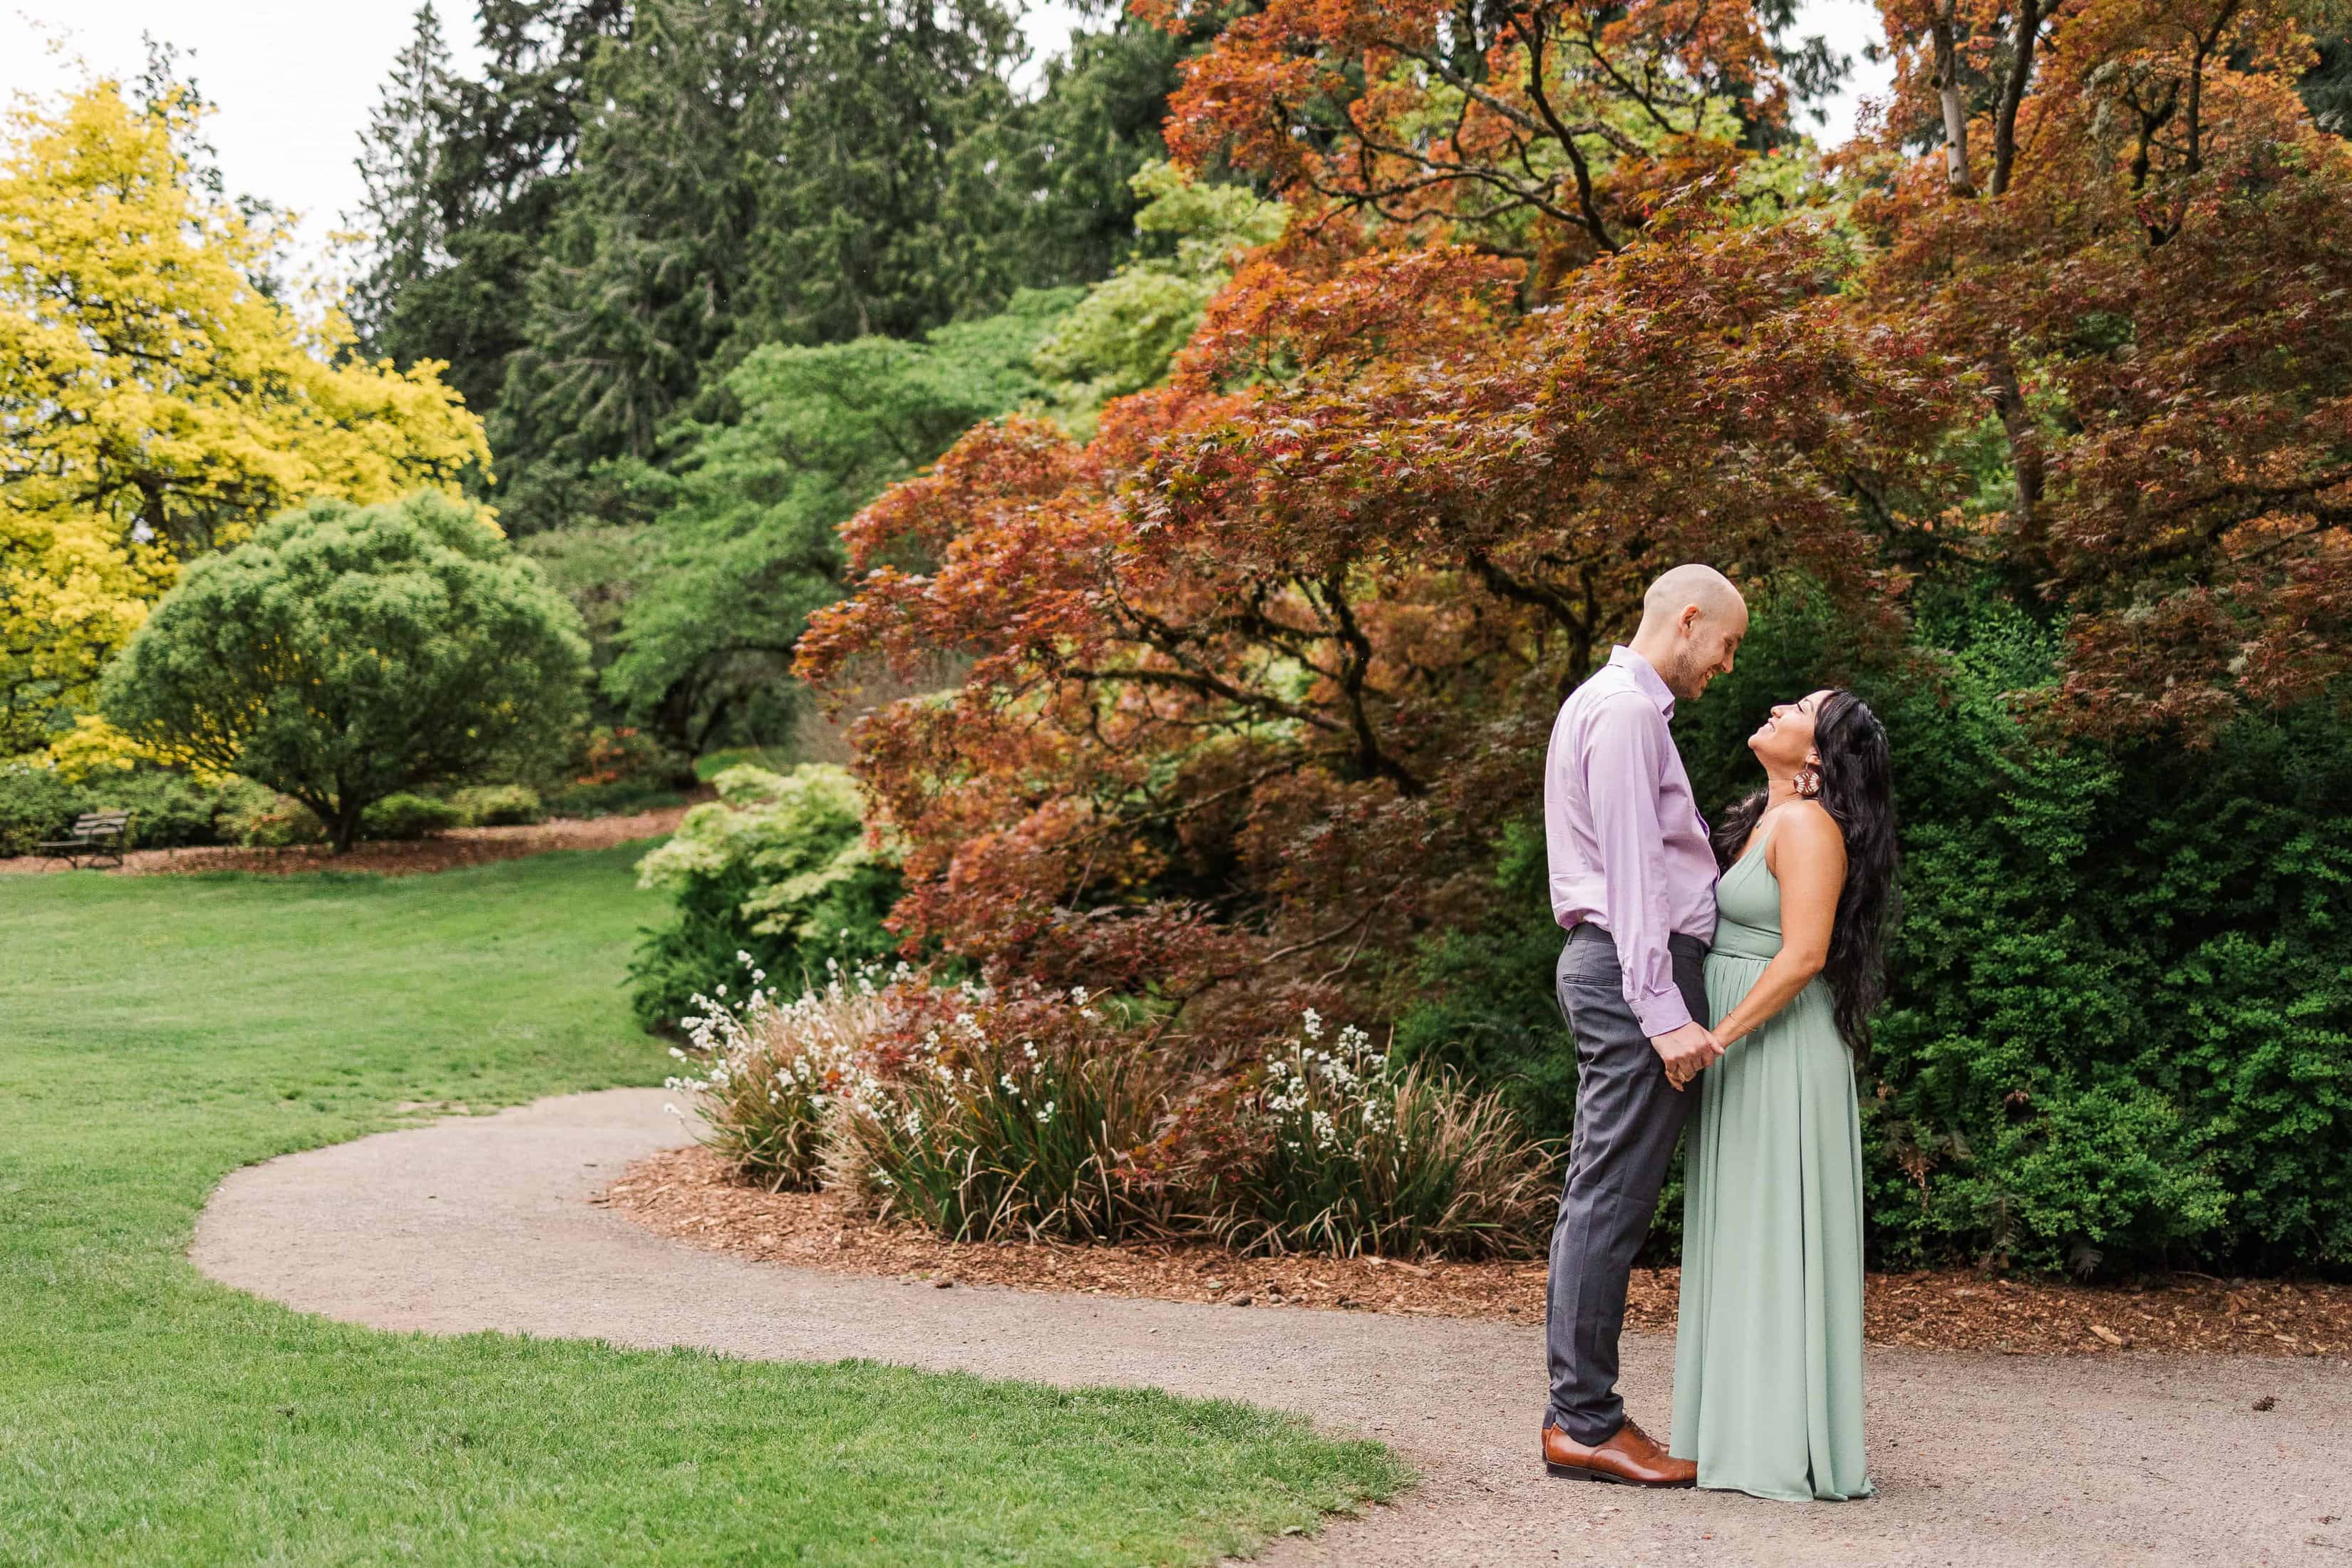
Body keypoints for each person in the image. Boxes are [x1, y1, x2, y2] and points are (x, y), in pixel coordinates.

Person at [1539, 564, 1746, 1487]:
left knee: (1602, 1195)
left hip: (1625, 976)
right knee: (1611, 1202)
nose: (1728, 667)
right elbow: (1633, 879)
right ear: (1690, 621)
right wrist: (1664, 1015)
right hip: (1635, 979)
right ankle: (1585, 1423)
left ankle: (1580, 1415)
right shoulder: (1624, 713)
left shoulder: (1613, 705)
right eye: (1728, 645)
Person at [1669, 688, 1897, 1502]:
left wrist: (1716, 1038)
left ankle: (1772, 1440)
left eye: (1801, 705)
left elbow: (1802, 955)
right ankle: (1736, 1429)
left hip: (1776, 1047)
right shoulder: (1763, 820)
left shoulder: (1808, 826)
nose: (1776, 703)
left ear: (1818, 756)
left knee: (1771, 1232)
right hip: (1747, 1042)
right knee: (1743, 1232)